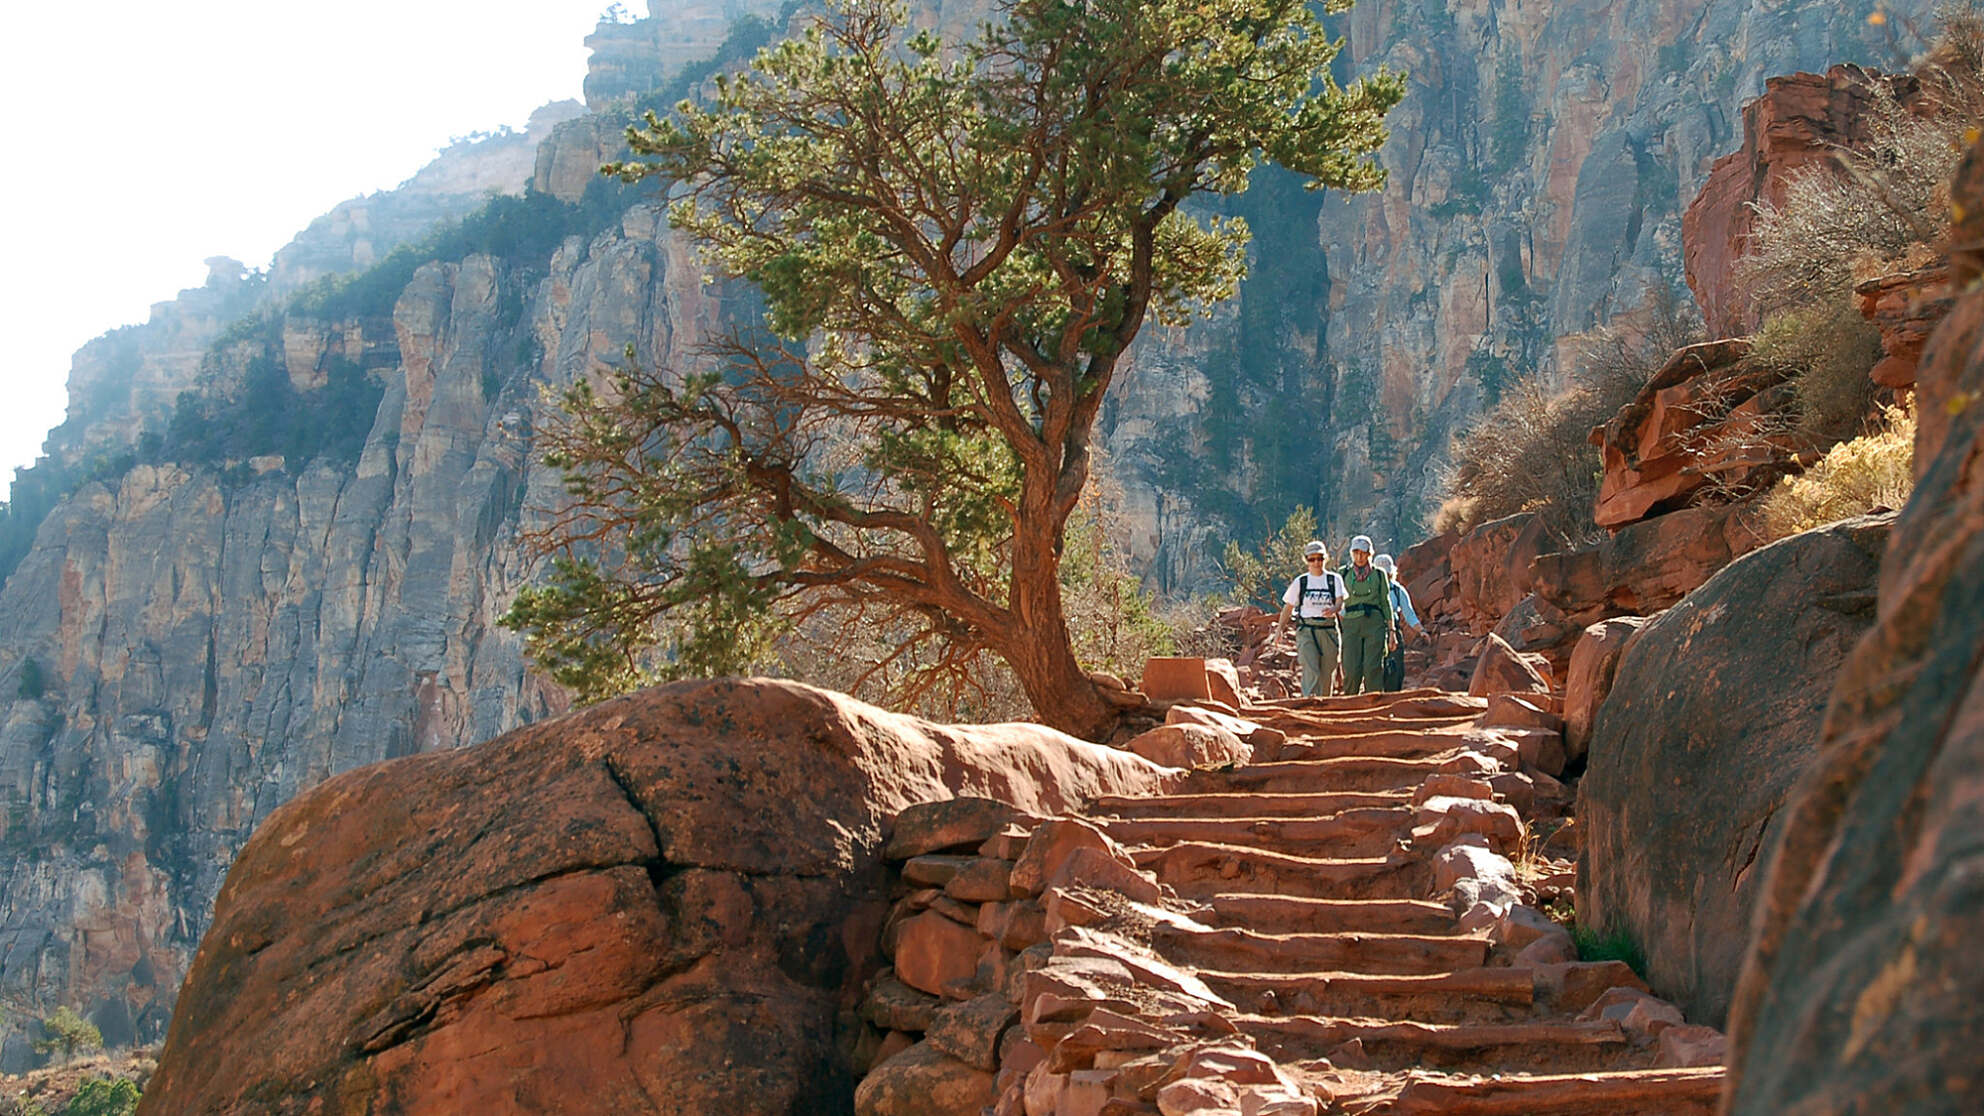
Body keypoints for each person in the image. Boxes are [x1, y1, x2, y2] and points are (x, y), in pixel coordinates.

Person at [1271, 540, 1348, 697]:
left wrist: (1334, 609)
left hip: (1329, 629)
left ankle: (1325, 707)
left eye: (1319, 558)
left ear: (1325, 559)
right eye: (1312, 559)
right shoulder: (1301, 582)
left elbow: (1340, 601)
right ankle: (1309, 703)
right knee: (1310, 668)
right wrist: (1279, 629)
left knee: (1328, 672)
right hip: (1307, 629)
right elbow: (1288, 607)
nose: (1316, 563)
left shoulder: (1334, 580)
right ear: (1306, 560)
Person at [1337, 535, 1395, 695]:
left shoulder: (1379, 574)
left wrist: (1391, 631)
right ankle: (1350, 709)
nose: (1359, 556)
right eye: (1356, 552)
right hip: (1350, 624)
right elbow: (1336, 601)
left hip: (1374, 623)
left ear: (1370, 554)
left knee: (1372, 669)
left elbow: (1385, 602)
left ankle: (1373, 709)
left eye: (1363, 553)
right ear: (1351, 553)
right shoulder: (1343, 573)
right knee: (1351, 670)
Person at [1372, 553, 1423, 692]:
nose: (1385, 578)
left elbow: (1408, 613)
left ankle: (1392, 696)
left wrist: (1421, 631)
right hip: (1372, 630)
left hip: (1392, 630)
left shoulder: (1397, 589)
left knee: (1395, 669)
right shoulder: (1369, 590)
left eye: (1387, 575)